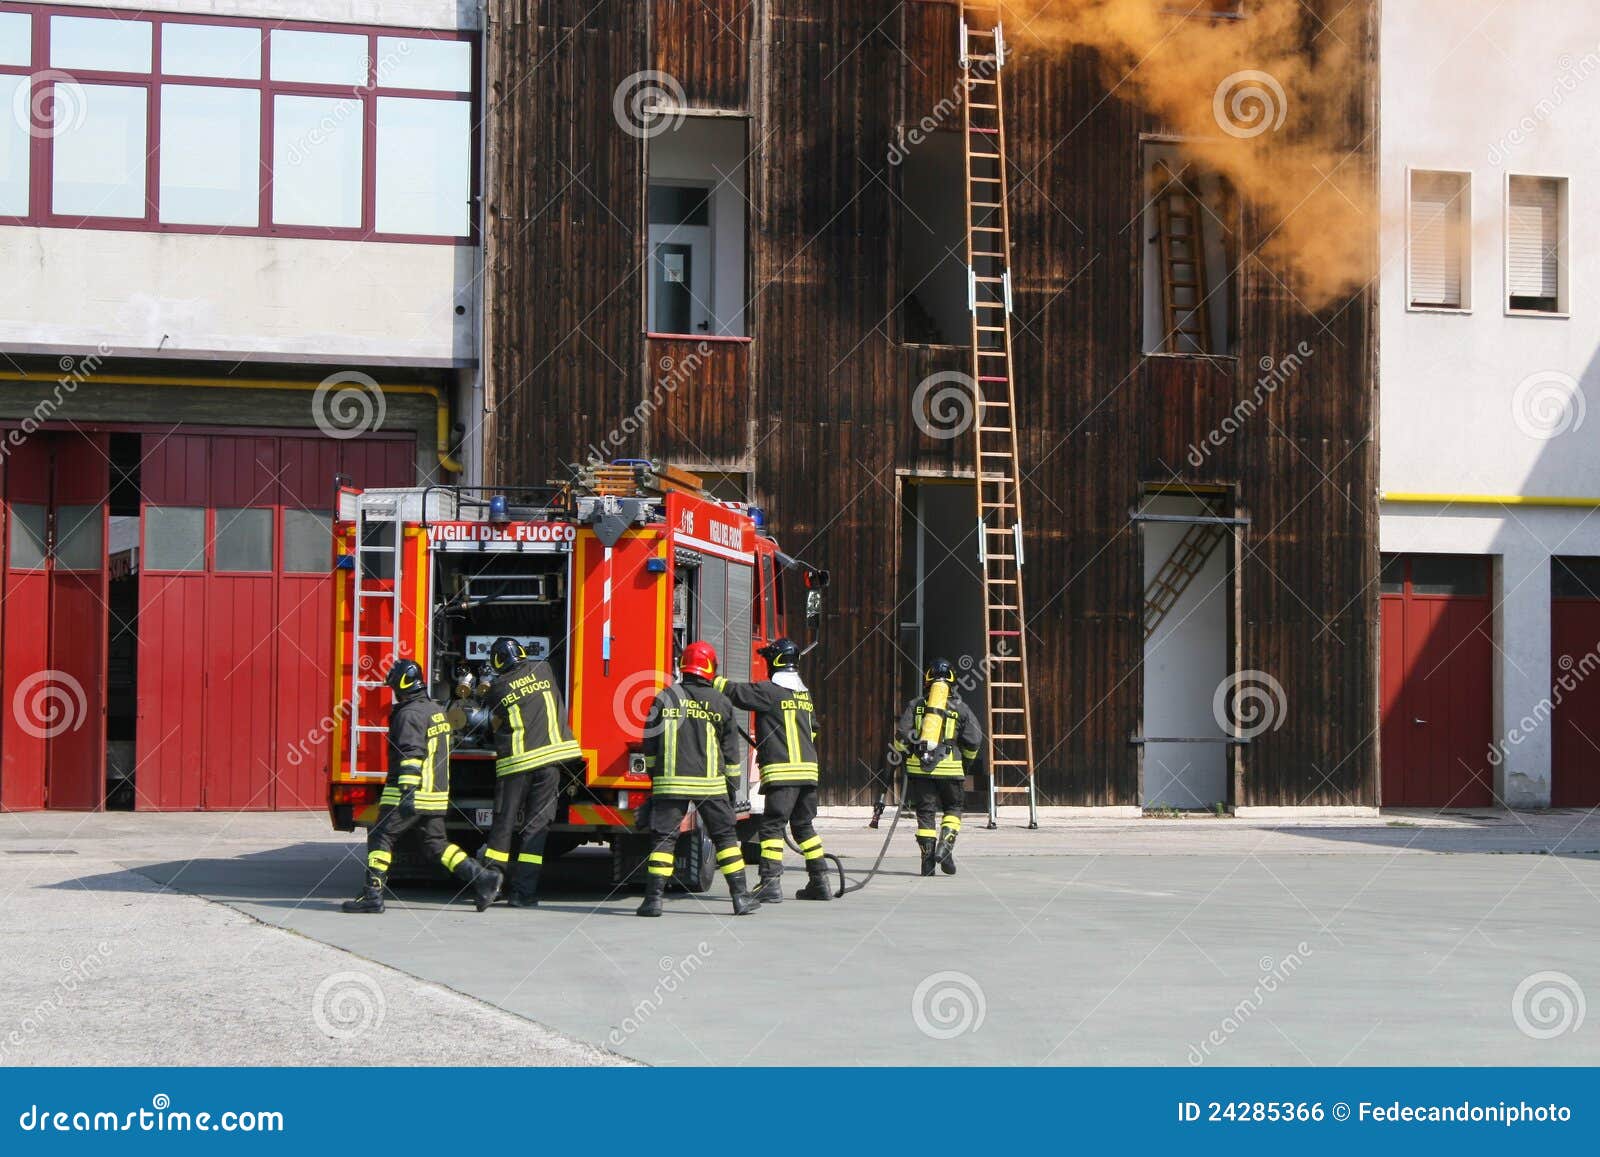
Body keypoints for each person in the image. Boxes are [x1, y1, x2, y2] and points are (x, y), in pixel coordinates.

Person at [343, 659, 500, 914]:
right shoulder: (435, 710)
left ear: (402, 684)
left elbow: (411, 753)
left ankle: (372, 893)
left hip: (412, 793)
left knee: (382, 835)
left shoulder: (410, 714)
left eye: (394, 685)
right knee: (435, 844)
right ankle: (482, 878)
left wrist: (407, 792)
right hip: (435, 794)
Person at [636, 641, 760, 918]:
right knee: (726, 838)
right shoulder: (721, 702)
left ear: (684, 666)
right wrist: (731, 790)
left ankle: (653, 901)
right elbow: (731, 753)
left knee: (663, 841)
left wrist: (656, 780)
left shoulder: (664, 697)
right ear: (709, 668)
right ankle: (740, 898)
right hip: (710, 785)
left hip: (670, 784)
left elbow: (650, 745)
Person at [715, 637, 832, 903]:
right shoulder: (804, 694)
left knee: (772, 827)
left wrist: (710, 680)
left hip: (783, 774)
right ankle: (820, 881)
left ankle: (769, 882)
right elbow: (812, 729)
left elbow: (736, 693)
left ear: (776, 662)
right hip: (809, 774)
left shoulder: (769, 691)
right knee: (804, 827)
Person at [482, 636, 584, 908]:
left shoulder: (497, 688)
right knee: (536, 828)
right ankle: (523, 893)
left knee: (503, 828)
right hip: (551, 764)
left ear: (497, 662)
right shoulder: (544, 669)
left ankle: (490, 886)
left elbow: (490, 720)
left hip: (516, 766)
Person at [892, 658, 984, 877]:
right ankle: (946, 845)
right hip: (951, 768)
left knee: (925, 813)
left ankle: (927, 863)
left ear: (927, 681)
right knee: (953, 808)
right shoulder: (960, 707)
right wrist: (966, 763)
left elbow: (901, 738)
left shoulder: (915, 705)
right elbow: (974, 740)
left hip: (919, 770)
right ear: (952, 682)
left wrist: (906, 755)